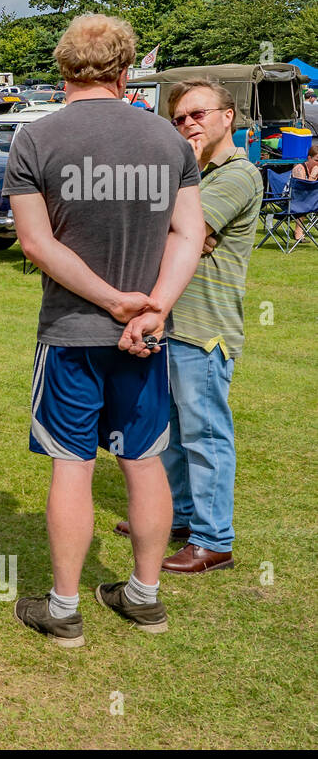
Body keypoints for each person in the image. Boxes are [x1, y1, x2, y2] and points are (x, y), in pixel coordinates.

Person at [4, 14, 204, 647]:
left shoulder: (35, 138)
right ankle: (144, 597)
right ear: (125, 71)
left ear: (64, 70)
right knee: (143, 462)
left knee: (73, 464)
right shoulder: (168, 142)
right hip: (143, 335)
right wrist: (154, 308)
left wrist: (116, 302)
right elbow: (189, 233)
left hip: (72, 331)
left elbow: (35, 243)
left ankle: (64, 609)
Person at [115, 79, 262, 575]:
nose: (187, 124)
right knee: (173, 431)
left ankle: (213, 539)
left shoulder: (237, 175)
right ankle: (177, 516)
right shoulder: (195, 175)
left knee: (205, 435)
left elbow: (185, 235)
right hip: (170, 320)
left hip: (203, 326)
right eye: (178, 119)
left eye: (198, 114)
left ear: (229, 117)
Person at [289, 141, 318, 242]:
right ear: (309, 158)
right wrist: (313, 176)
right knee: (304, 203)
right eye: (316, 160)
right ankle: (298, 232)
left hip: (310, 199)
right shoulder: (299, 169)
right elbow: (303, 190)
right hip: (293, 199)